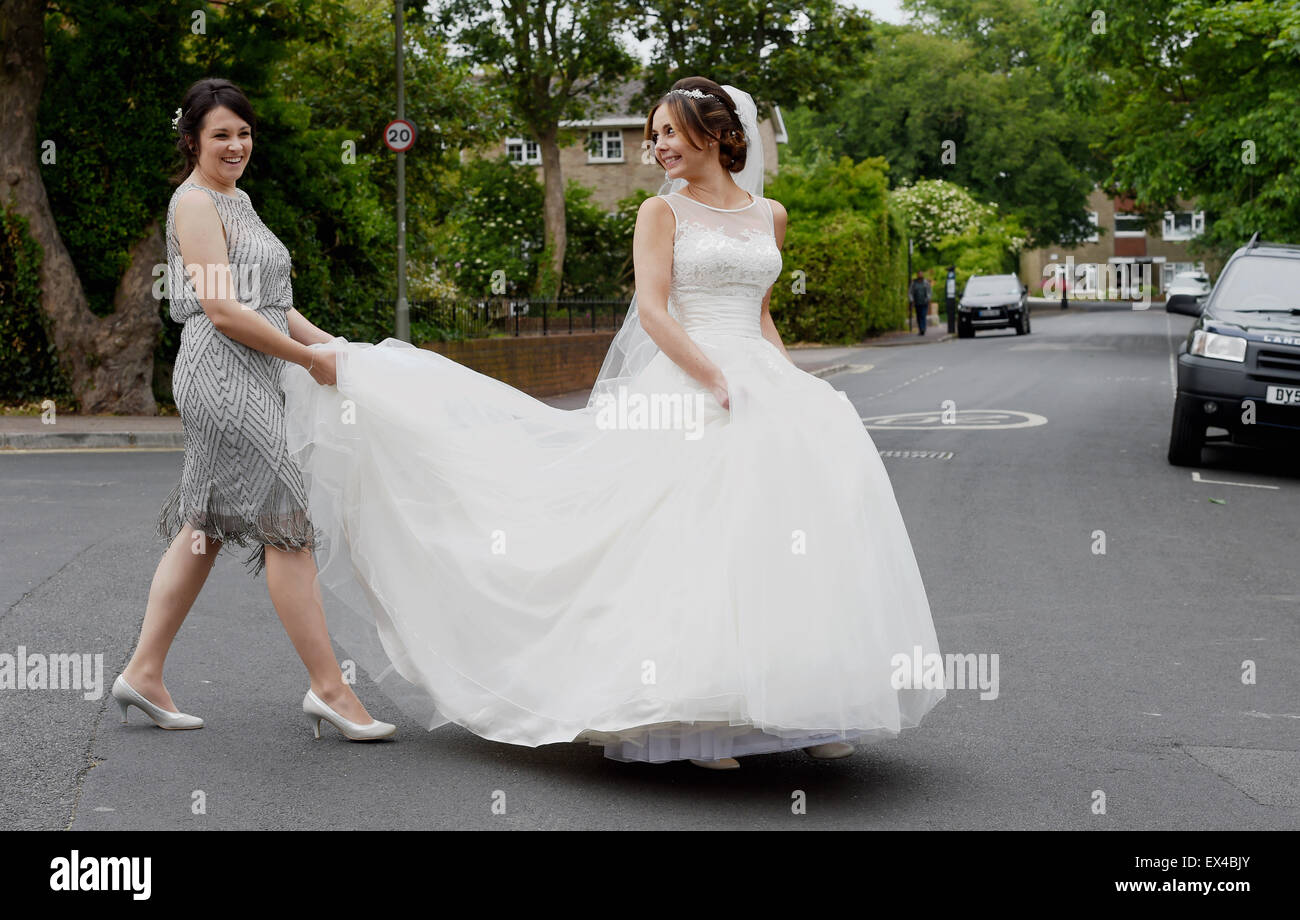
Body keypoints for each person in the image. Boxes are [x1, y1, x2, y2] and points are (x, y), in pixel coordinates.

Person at [279, 77, 946, 769]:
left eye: (668, 132)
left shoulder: (769, 214)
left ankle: (805, 705)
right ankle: (692, 717)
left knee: (785, 540)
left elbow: (763, 314)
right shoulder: (663, 215)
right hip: (688, 382)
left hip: (760, 380)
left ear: (715, 133)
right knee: (685, 549)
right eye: (652, 134)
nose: (657, 146)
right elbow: (655, 312)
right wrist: (713, 377)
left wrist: (789, 382)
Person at [114, 78, 395, 742]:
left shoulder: (238, 200)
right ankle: (331, 690)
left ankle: (144, 673)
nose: (236, 145)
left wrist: (335, 347)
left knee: (203, 529)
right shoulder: (194, 203)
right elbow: (222, 309)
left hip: (252, 369)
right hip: (221, 374)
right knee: (287, 526)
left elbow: (271, 301)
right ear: (192, 139)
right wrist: (306, 362)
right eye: (221, 134)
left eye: (243, 133)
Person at [909, 270, 931, 335]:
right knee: (918, 317)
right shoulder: (914, 283)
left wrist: (928, 298)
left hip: (924, 302)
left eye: (921, 274)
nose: (920, 275)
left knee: (923, 315)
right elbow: (910, 292)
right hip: (917, 303)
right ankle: (921, 328)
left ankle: (923, 329)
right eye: (919, 274)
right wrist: (912, 300)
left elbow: (929, 292)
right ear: (917, 275)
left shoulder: (926, 283)